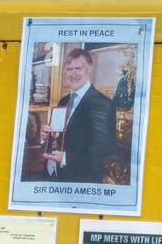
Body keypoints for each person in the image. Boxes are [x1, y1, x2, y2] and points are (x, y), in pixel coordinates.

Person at [41, 48, 116, 183]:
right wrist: (45, 138)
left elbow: (103, 151)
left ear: (89, 69)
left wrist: (65, 159)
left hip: (78, 181)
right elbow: (59, 139)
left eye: (78, 69)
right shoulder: (63, 101)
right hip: (51, 176)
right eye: (69, 69)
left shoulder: (104, 104)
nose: (73, 74)